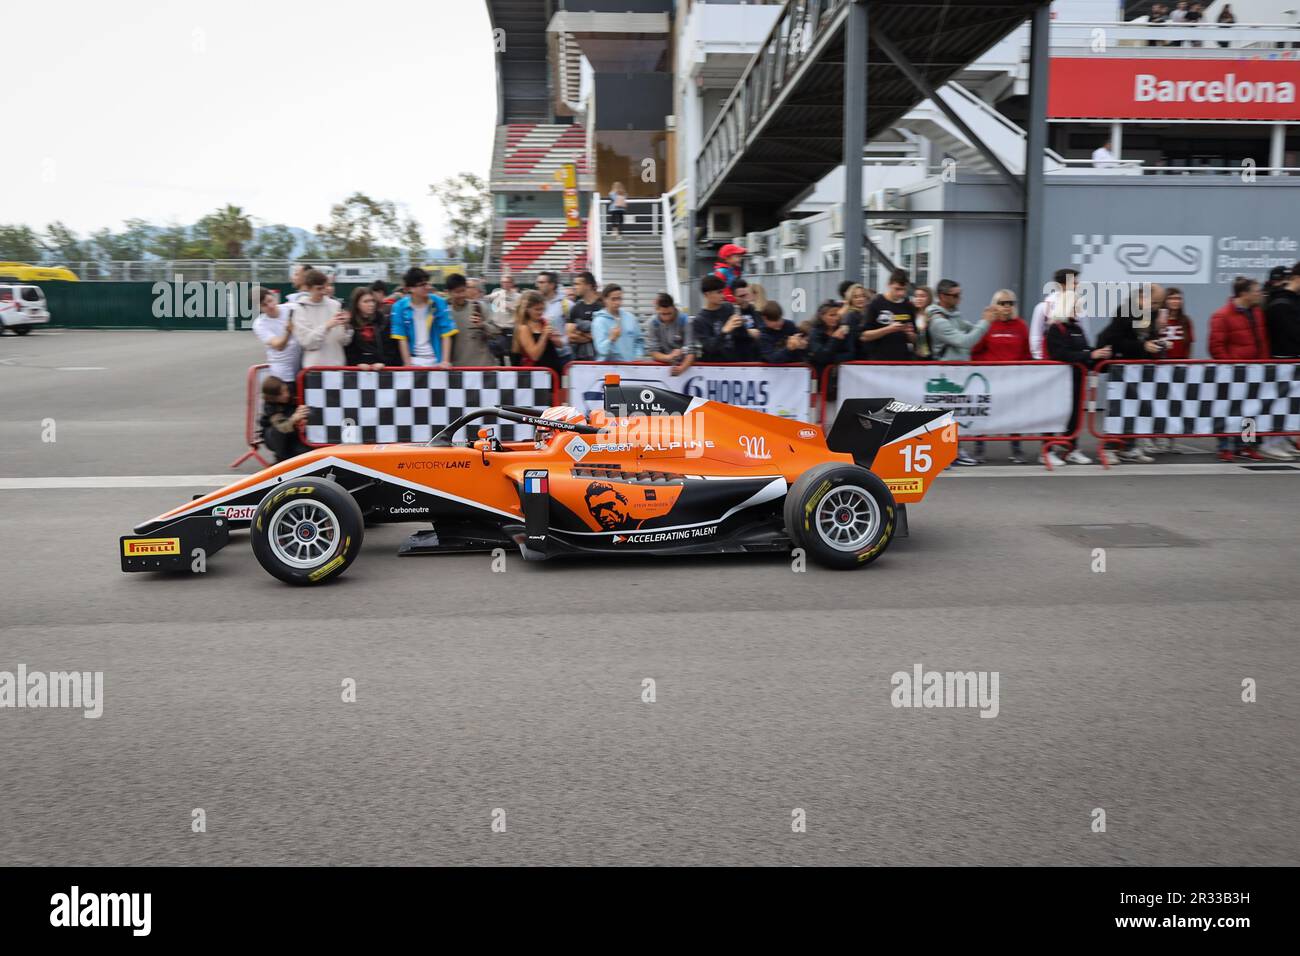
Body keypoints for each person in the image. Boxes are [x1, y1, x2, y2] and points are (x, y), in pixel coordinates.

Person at [1097, 285, 1168, 463]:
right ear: (1142, 298)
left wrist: (1158, 344)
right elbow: (1116, 340)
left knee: (1137, 407)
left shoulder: (1151, 313)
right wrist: (1143, 346)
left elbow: (1146, 336)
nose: (1157, 307)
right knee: (1118, 408)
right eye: (1155, 302)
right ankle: (1109, 447)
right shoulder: (1125, 311)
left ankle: (1129, 446)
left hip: (1139, 365)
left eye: (1160, 303)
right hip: (1120, 365)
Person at [1043, 291, 1112, 467]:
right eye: (1075, 306)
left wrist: (1100, 356)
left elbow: (1085, 350)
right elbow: (1060, 354)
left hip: (1077, 379)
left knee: (1074, 415)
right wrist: (1090, 353)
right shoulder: (1055, 328)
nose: (1079, 309)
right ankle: (1047, 450)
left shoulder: (1077, 328)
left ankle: (1071, 448)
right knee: (1054, 414)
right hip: (1059, 380)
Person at [927, 278, 990, 466]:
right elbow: (965, 341)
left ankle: (952, 451)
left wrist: (987, 321)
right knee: (946, 415)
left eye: (960, 294)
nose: (959, 299)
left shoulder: (954, 315)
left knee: (954, 415)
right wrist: (985, 322)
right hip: (947, 373)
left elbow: (971, 329)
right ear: (942, 296)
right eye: (955, 296)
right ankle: (946, 453)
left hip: (958, 371)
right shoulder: (938, 321)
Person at [1209, 276, 1270, 462]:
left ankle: (1245, 445)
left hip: (1255, 370)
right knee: (1229, 410)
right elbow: (1216, 346)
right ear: (1244, 293)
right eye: (1256, 291)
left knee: (1251, 410)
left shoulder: (1257, 312)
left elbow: (1262, 340)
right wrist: (1231, 366)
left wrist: (1264, 363)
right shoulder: (1222, 315)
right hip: (1233, 373)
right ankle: (1225, 447)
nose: (1259, 294)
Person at [972, 289, 1031, 463]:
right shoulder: (986, 324)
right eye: (1002, 303)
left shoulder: (1021, 325)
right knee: (984, 414)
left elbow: (1026, 353)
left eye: (1010, 303)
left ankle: (1017, 450)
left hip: (1013, 379)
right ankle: (979, 450)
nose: (1006, 307)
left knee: (1014, 415)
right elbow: (975, 351)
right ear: (994, 305)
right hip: (990, 380)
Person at [1264, 263, 1300, 458]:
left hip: (1293, 360)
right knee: (1278, 402)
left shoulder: (1292, 301)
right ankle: (1271, 441)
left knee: (1292, 404)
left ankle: (1284, 437)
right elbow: (1290, 333)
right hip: (1282, 360)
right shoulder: (1280, 302)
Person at [389, 266, 455, 368]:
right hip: (414, 360)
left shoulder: (439, 302)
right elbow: (402, 338)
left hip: (437, 361)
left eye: (427, 283)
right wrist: (408, 364)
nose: (428, 287)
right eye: (422, 285)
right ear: (409, 289)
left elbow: (446, 333)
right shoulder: (398, 307)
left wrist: (445, 361)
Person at [289, 269, 352, 368]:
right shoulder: (300, 308)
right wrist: (327, 326)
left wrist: (347, 326)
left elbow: (344, 341)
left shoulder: (335, 305)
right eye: (319, 289)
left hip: (337, 366)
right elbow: (307, 343)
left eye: (324, 287)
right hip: (314, 369)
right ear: (308, 288)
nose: (323, 292)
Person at [692, 274, 760, 361]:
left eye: (723, 292)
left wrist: (744, 329)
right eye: (719, 292)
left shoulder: (728, 307)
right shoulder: (700, 320)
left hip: (736, 364)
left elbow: (740, 337)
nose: (723, 296)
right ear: (707, 294)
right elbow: (709, 347)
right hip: (714, 368)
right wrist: (724, 331)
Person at [444, 273, 506, 366]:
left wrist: (482, 325)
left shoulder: (479, 307)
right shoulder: (445, 313)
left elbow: (497, 331)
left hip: (483, 367)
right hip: (458, 369)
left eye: (463, 291)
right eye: (457, 292)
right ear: (448, 292)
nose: (461, 295)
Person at [858, 269, 917, 361]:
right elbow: (864, 336)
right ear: (889, 285)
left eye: (904, 289)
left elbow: (915, 339)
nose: (901, 293)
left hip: (902, 360)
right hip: (879, 360)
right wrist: (888, 329)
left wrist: (910, 335)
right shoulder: (876, 303)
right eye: (897, 289)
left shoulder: (908, 306)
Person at [252, 287, 301, 384]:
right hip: (282, 372)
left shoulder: (292, 308)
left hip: (301, 364)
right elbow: (279, 346)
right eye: (264, 305)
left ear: (274, 297)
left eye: (270, 301)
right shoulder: (259, 324)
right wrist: (288, 332)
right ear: (259, 308)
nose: (270, 306)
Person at [512, 290, 567, 376]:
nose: (540, 312)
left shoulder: (544, 322)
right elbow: (534, 355)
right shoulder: (523, 328)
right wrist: (544, 335)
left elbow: (560, 345)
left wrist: (555, 339)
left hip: (553, 371)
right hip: (537, 375)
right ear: (526, 309)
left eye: (542, 309)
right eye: (537, 309)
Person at [1030, 268, 1080, 360]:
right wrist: (1039, 358)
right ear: (1062, 285)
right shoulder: (1042, 307)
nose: (1077, 286)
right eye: (1074, 283)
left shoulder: (1079, 307)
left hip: (1074, 360)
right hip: (1049, 361)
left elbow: (1084, 333)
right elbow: (1036, 335)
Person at [259, 375, 311, 462]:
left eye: (285, 390)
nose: (287, 394)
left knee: (306, 452)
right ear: (273, 398)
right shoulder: (270, 407)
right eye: (282, 393)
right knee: (278, 431)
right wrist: (294, 418)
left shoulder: (292, 389)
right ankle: (281, 459)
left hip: (294, 434)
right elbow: (282, 427)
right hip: (276, 437)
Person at [807, 299, 855, 393]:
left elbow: (851, 353)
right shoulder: (815, 332)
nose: (836, 318)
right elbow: (821, 356)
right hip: (819, 381)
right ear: (822, 316)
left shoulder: (844, 330)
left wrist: (832, 359)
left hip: (841, 379)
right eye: (831, 315)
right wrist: (834, 339)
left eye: (837, 315)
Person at [343, 287, 396, 369]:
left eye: (372, 301)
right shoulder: (350, 323)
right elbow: (348, 349)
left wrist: (384, 363)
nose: (371, 304)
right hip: (357, 369)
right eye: (366, 301)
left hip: (381, 367)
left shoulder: (383, 321)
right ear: (357, 304)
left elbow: (391, 347)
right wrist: (356, 364)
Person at [592, 284, 645, 361]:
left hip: (630, 367)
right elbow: (601, 350)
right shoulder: (599, 321)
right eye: (613, 299)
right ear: (605, 299)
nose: (617, 302)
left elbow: (639, 340)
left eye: (620, 299)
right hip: (608, 369)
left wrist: (638, 356)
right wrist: (611, 338)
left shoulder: (630, 318)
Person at [645, 293, 694, 376]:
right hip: (661, 369)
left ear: (674, 308)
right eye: (663, 314)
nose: (667, 318)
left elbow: (691, 350)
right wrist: (669, 357)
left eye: (669, 313)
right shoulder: (652, 323)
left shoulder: (685, 320)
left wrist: (682, 368)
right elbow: (653, 351)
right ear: (657, 310)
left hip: (684, 367)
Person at [535, 270, 572, 359]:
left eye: (542, 282)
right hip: (542, 355)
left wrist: (562, 342)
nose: (538, 285)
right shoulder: (535, 304)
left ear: (552, 285)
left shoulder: (567, 304)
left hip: (563, 356)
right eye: (537, 282)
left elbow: (573, 332)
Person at [565, 271, 601, 361]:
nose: (575, 287)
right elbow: (570, 337)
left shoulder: (603, 307)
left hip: (601, 359)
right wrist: (591, 336)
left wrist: (580, 333)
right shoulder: (575, 308)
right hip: (580, 360)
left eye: (578, 284)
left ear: (588, 286)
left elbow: (606, 336)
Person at [910, 285, 934, 358]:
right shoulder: (911, 315)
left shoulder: (934, 315)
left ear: (929, 298)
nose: (918, 299)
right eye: (916, 296)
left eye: (922, 296)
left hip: (931, 356)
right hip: (914, 356)